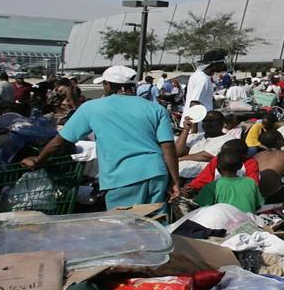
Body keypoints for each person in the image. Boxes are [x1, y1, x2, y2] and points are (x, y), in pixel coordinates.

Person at [21, 64, 180, 208]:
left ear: (108, 85)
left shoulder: (91, 108)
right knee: (154, 227)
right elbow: (168, 147)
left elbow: (59, 141)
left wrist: (38, 160)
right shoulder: (156, 109)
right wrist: (175, 181)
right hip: (156, 172)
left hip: (123, 177)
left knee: (124, 230)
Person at [195, 140, 265, 213]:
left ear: (218, 167)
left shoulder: (212, 186)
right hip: (247, 220)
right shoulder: (250, 183)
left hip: (221, 218)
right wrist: (190, 187)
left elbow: (202, 208)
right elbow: (257, 204)